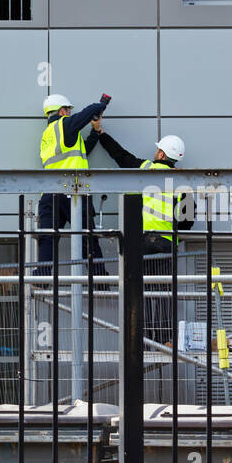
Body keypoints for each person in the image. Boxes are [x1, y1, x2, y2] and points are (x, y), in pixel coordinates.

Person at [93, 121, 194, 343]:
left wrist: (100, 133)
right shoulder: (183, 183)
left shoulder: (145, 168)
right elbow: (188, 222)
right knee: (165, 292)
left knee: (142, 291)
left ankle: (144, 338)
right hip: (167, 244)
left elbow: (120, 155)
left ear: (160, 153)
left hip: (142, 242)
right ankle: (165, 338)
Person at [37, 93, 107, 272]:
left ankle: (42, 278)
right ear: (62, 111)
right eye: (68, 109)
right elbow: (88, 112)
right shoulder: (64, 125)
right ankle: (99, 279)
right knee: (86, 237)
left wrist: (95, 132)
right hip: (73, 190)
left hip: (50, 191)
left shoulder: (48, 134)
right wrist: (101, 105)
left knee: (47, 237)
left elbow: (83, 150)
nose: (70, 113)